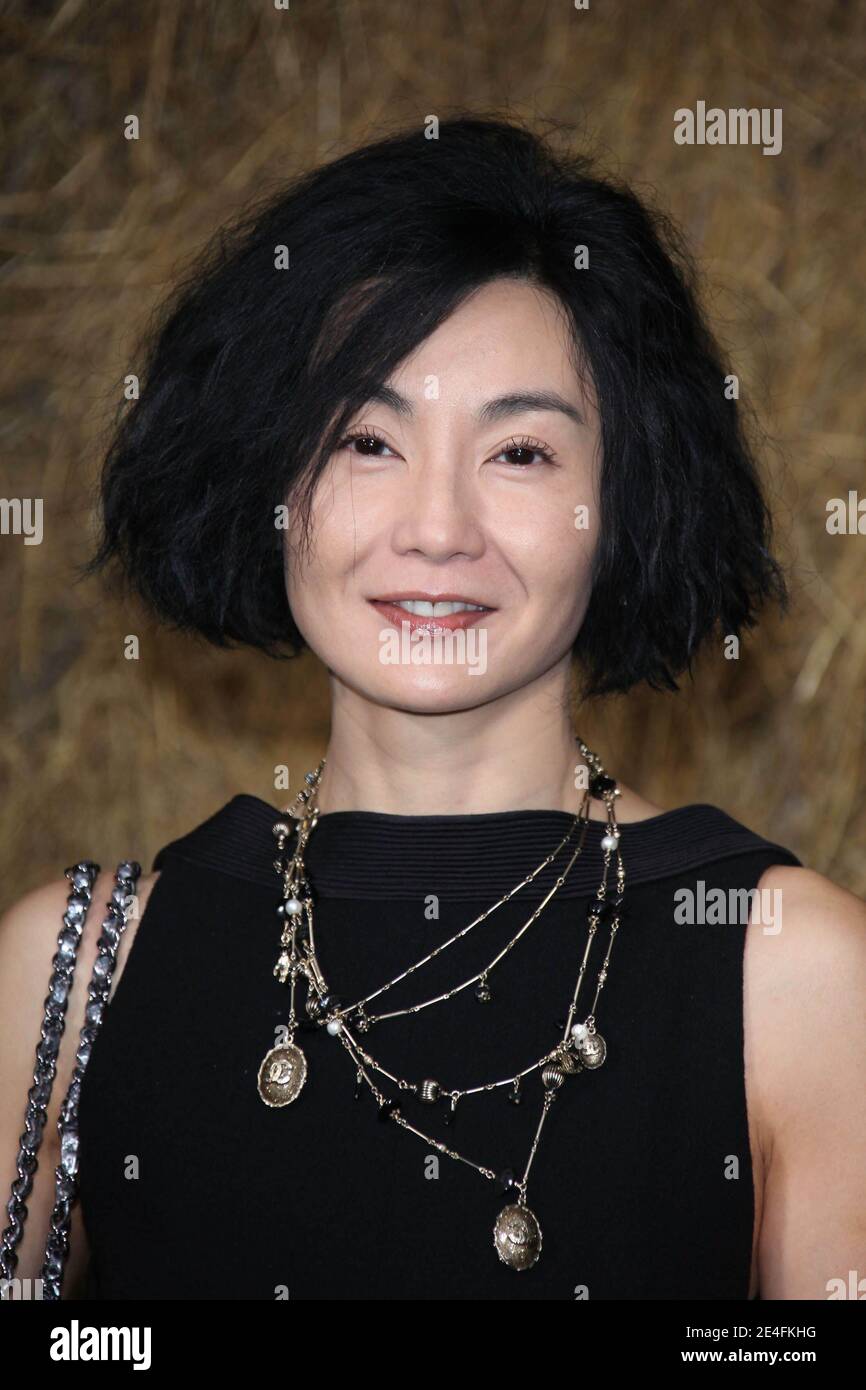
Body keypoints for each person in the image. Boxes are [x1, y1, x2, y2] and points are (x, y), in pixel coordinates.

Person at [2, 114, 864, 1302]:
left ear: (621, 506)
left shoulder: (793, 971)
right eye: (367, 439)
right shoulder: (72, 965)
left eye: (518, 454)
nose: (437, 529)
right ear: (269, 486)